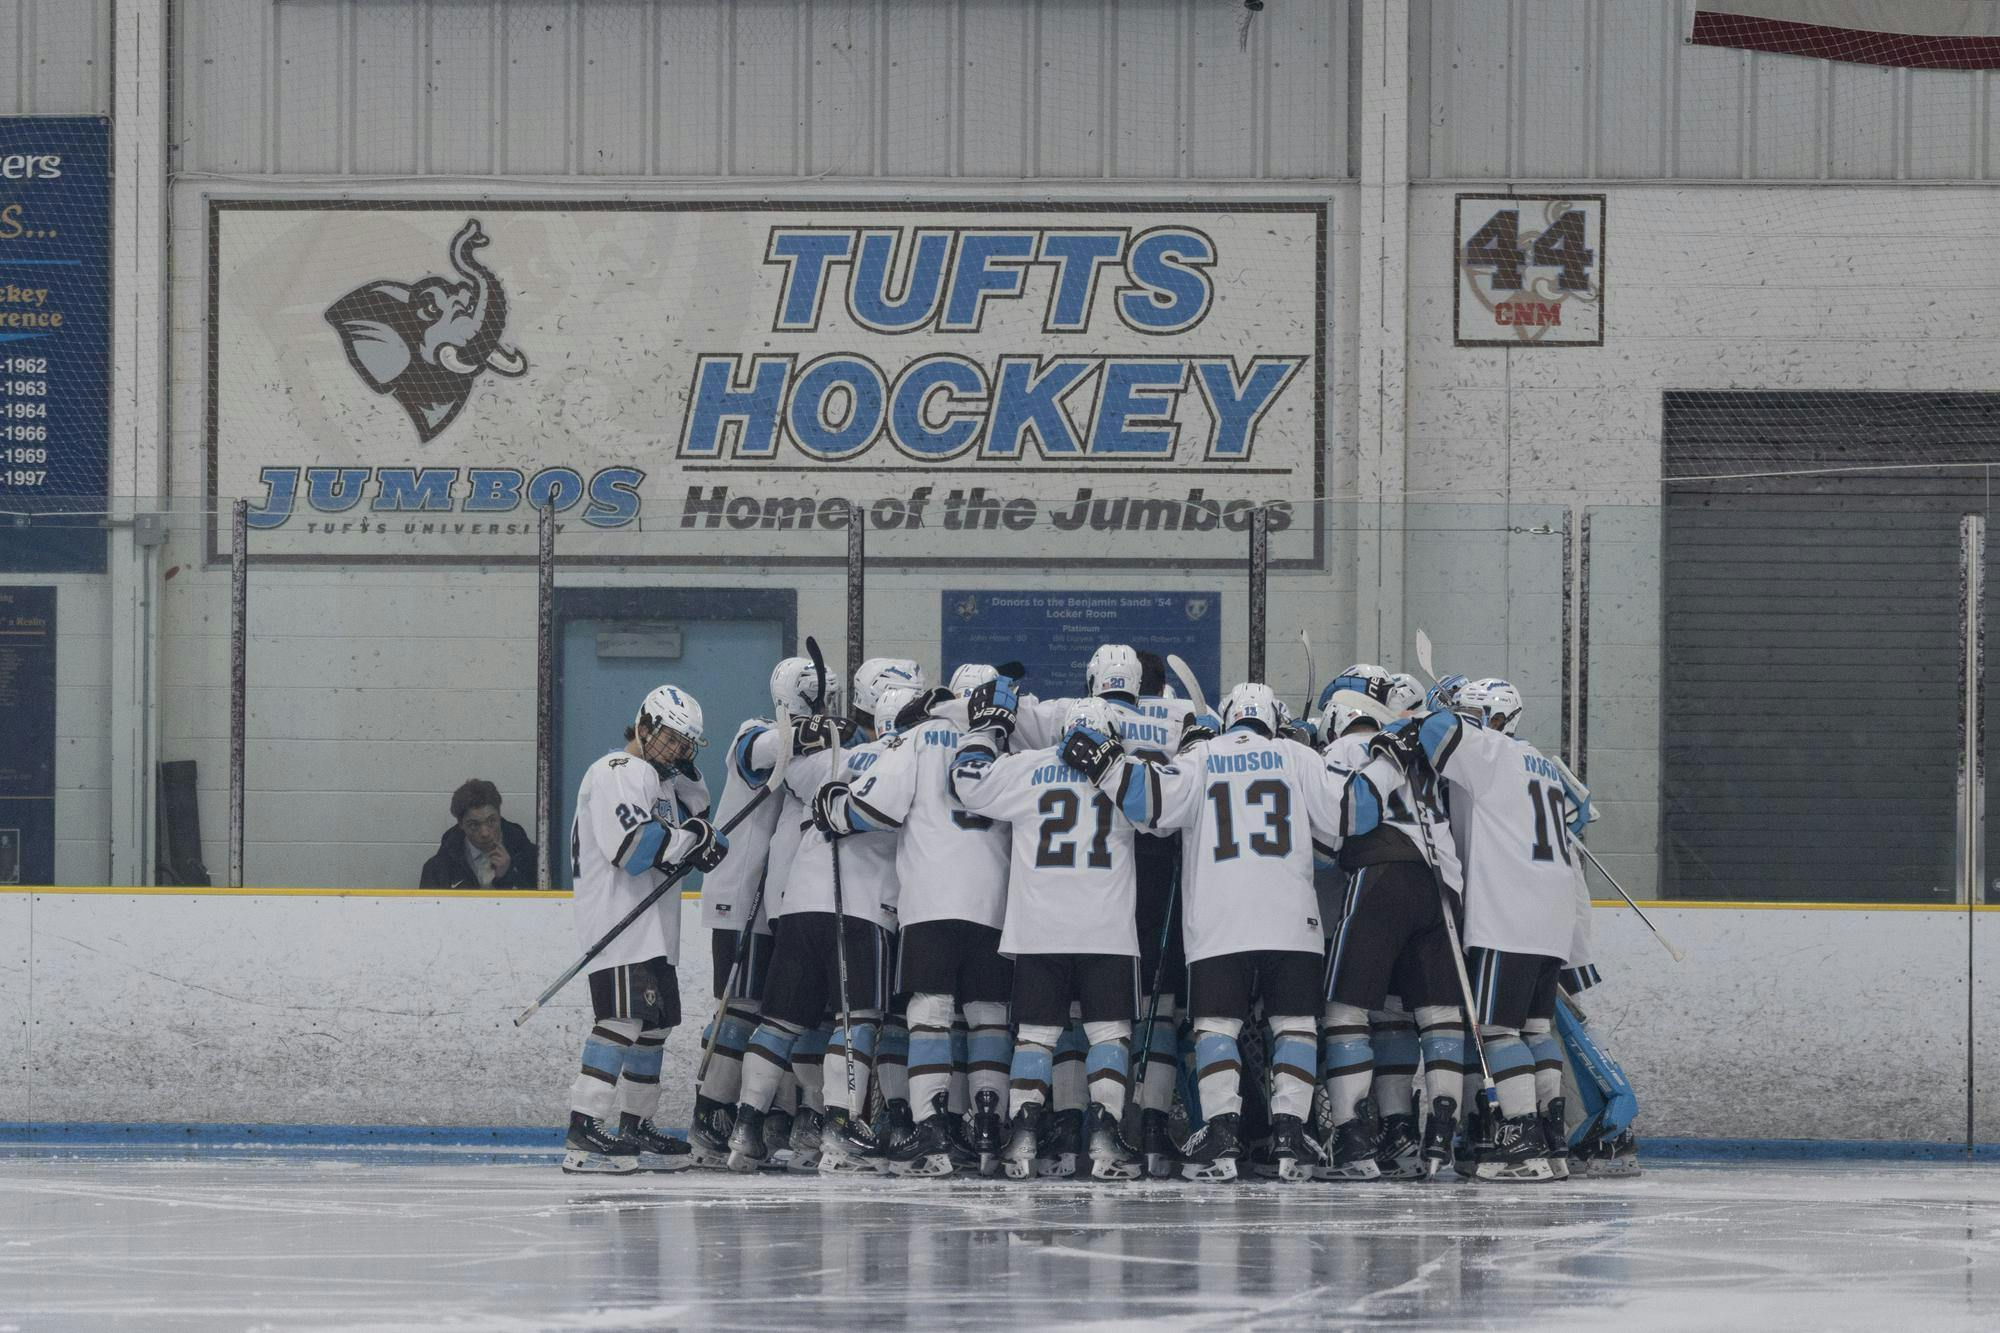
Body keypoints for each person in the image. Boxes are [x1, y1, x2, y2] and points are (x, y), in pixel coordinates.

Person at [1108, 682, 1357, 1182]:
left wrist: (1114, 761)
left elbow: (1146, 805)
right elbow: (1349, 817)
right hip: (1292, 919)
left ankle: (1221, 1132)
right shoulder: (1295, 754)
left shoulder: (1203, 755)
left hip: (1220, 920)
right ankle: (1291, 1132)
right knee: (1294, 1026)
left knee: (1216, 1028)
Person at [1373, 674, 1577, 1183]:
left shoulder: (1490, 752)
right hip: (1552, 916)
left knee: (1497, 1031)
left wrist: (1434, 707)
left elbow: (1437, 731)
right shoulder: (1543, 764)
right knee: (1534, 1029)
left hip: (1506, 912)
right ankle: (1553, 1142)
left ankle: (1521, 1141)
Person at [726, 657, 921, 1174]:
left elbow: (788, 771)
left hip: (797, 908)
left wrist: (821, 742)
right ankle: (839, 1130)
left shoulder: (828, 761)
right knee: (856, 1023)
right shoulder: (909, 760)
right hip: (860, 911)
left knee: (779, 1022)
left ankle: (745, 1129)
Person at [951, 693, 1156, 1182]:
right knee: (1107, 1035)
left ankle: (1023, 1134)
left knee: (1035, 1037)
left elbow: (968, 785)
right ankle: (1105, 1135)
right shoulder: (1123, 771)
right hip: (1105, 926)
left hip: (1039, 925)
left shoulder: (1028, 765)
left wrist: (984, 730)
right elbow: (1162, 816)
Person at [851, 664, 1015, 1177]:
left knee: (930, 1012)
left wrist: (835, 810)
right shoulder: (1005, 742)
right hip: (995, 901)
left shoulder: (923, 735)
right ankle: (987, 1124)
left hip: (932, 898)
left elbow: (876, 806)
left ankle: (931, 1125)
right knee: (988, 1014)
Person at [685, 656, 849, 1169]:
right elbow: (766, 750)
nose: (830, 707)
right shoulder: (753, 732)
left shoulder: (830, 747)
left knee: (789, 1013)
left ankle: (780, 1117)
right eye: (822, 697)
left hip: (785, 898)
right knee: (742, 1012)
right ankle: (711, 1118)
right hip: (742, 896)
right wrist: (809, 732)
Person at [560, 684, 730, 1175]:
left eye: (686, 743)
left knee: (655, 1023)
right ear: (646, 726)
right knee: (622, 1019)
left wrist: (699, 838)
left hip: (654, 922)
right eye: (672, 738)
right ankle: (585, 1126)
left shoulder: (660, 781)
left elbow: (693, 825)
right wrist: (691, 840)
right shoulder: (620, 771)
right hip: (618, 917)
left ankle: (636, 1125)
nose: (678, 750)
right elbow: (634, 850)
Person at [1317, 665, 1472, 1181]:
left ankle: (1354, 1138)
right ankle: (1430, 1130)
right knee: (1429, 1014)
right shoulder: (1420, 757)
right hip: (1440, 889)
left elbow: (1330, 832)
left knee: (1346, 1011)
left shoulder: (1342, 750)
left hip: (1380, 875)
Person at [419, 779, 538, 889]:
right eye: (474, 825)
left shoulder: (531, 858)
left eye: (491, 821)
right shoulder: (438, 868)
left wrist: (507, 876)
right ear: (461, 825)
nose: (485, 833)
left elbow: (542, 907)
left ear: (499, 816)